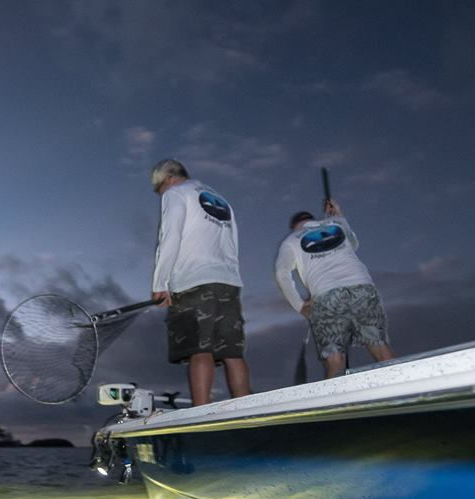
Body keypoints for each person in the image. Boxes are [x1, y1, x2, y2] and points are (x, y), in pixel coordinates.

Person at [150, 158, 251, 405]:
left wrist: (160, 283)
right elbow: (233, 244)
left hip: (192, 282)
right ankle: (248, 412)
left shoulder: (175, 193)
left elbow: (170, 237)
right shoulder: (221, 200)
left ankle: (201, 413)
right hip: (228, 282)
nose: (161, 194)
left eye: (159, 188)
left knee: (199, 349)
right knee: (232, 352)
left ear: (168, 178)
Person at [275, 199, 394, 378]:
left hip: (326, 296)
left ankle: (336, 395)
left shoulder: (291, 240)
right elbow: (353, 244)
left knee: (334, 359)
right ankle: (406, 392)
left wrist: (299, 305)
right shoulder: (336, 224)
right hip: (363, 288)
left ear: (294, 227)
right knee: (380, 348)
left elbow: (281, 273)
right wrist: (339, 216)